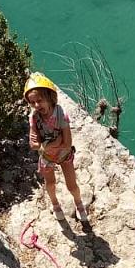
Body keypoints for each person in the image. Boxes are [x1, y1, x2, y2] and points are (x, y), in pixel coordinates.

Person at [24, 73, 88, 224]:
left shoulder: (61, 114)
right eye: (33, 103)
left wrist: (43, 145)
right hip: (47, 157)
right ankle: (55, 204)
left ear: (49, 97)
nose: (37, 106)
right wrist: (46, 145)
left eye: (39, 101)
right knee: (50, 183)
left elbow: (67, 142)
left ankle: (79, 204)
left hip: (64, 154)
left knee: (72, 185)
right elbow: (33, 144)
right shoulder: (34, 118)